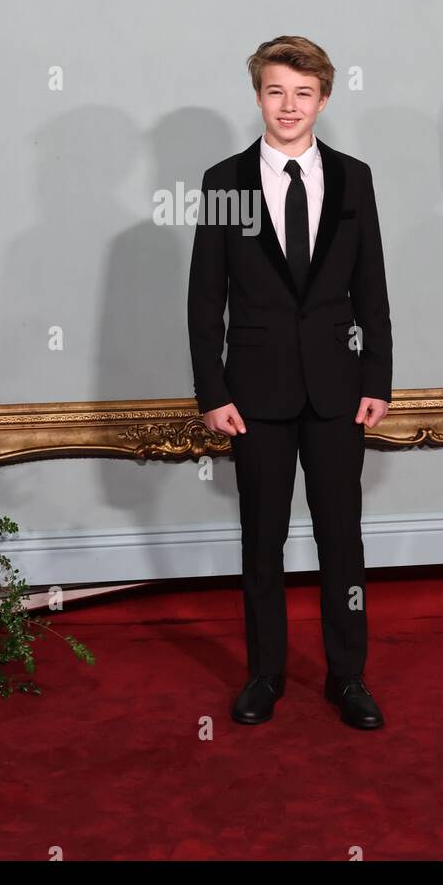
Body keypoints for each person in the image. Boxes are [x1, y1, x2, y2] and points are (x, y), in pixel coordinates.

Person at [186, 35, 392, 729]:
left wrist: (379, 378)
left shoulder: (355, 178)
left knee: (344, 539)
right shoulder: (225, 184)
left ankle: (348, 677)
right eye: (276, 91)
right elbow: (202, 296)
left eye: (303, 93)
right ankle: (264, 675)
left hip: (339, 391)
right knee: (261, 539)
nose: (289, 106)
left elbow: (373, 289)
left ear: (324, 99)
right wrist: (212, 392)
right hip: (254, 396)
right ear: (258, 97)